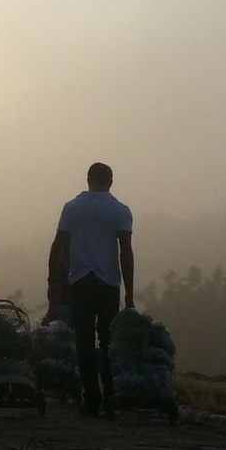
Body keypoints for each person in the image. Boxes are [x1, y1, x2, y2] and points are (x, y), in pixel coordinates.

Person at [47, 162, 133, 415]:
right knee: (108, 340)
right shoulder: (120, 210)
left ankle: (91, 395)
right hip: (109, 281)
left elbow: (58, 245)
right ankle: (110, 392)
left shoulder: (72, 208)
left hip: (81, 280)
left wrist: (52, 281)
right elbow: (125, 253)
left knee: (83, 340)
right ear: (111, 181)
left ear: (87, 180)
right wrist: (129, 291)